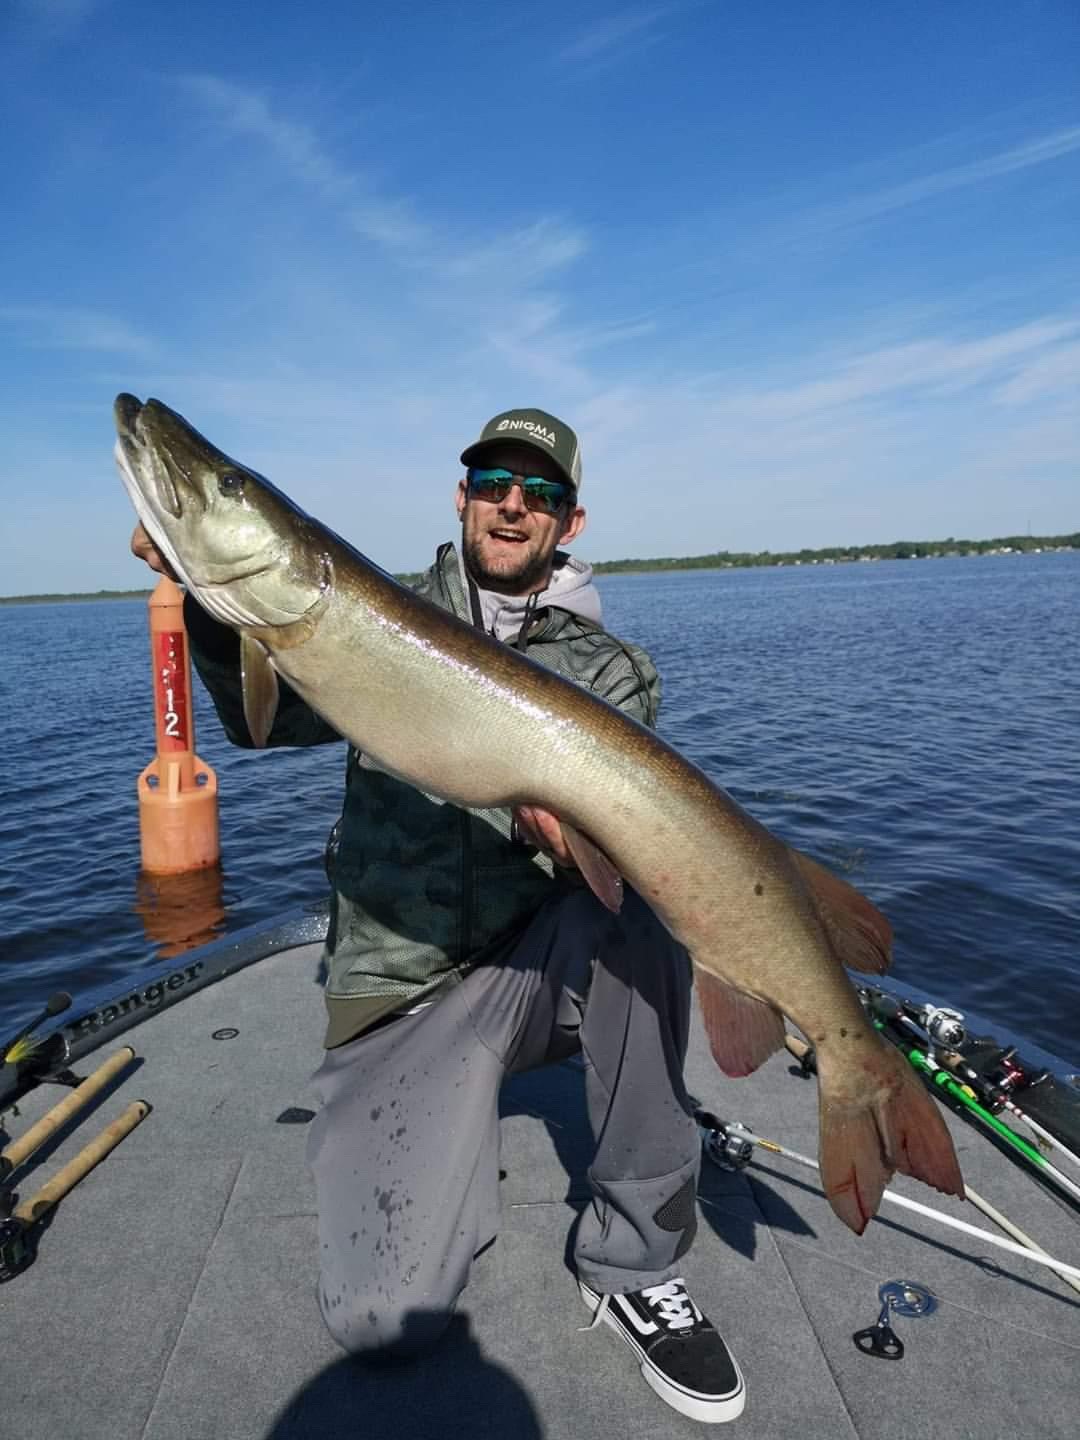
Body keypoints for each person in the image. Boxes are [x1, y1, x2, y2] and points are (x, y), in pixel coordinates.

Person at [131, 407, 746, 1424]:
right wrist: (205, 597)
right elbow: (256, 719)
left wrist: (563, 836)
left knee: (641, 915)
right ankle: (425, 1131)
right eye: (494, 483)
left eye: (539, 494)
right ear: (462, 498)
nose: (514, 505)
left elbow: (618, 853)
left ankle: (635, 1260)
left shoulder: (613, 672)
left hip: (539, 971)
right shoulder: (358, 608)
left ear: (570, 522)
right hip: (405, 991)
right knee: (386, 1323)